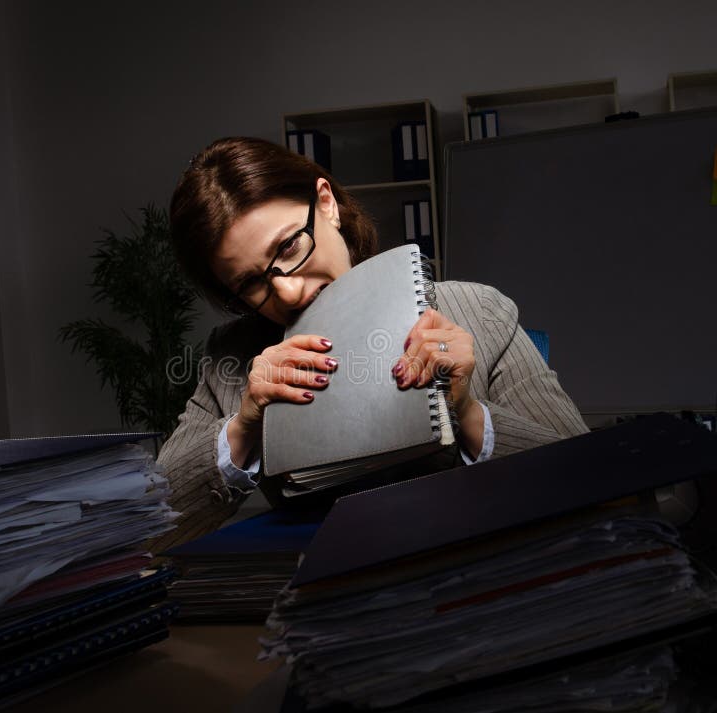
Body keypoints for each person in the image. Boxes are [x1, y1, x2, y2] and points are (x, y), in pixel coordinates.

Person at [152, 136, 588, 551]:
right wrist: (242, 428)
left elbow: (590, 476)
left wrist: (469, 414)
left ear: (326, 204)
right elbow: (151, 529)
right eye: (250, 282)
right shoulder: (234, 361)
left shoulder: (479, 311)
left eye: (288, 247)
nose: (285, 293)